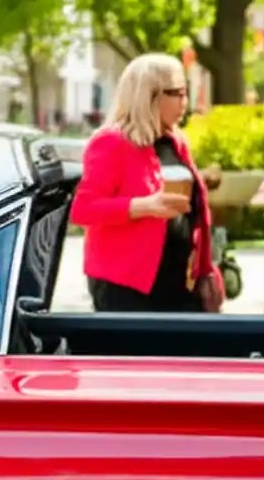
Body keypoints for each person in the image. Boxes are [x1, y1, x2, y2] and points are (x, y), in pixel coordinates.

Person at [68, 53, 223, 313]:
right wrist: (144, 206)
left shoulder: (176, 141)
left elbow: (195, 211)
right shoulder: (111, 142)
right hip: (128, 286)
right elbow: (83, 210)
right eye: (175, 93)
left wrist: (205, 269)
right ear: (147, 95)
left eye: (186, 93)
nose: (184, 102)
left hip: (179, 281)